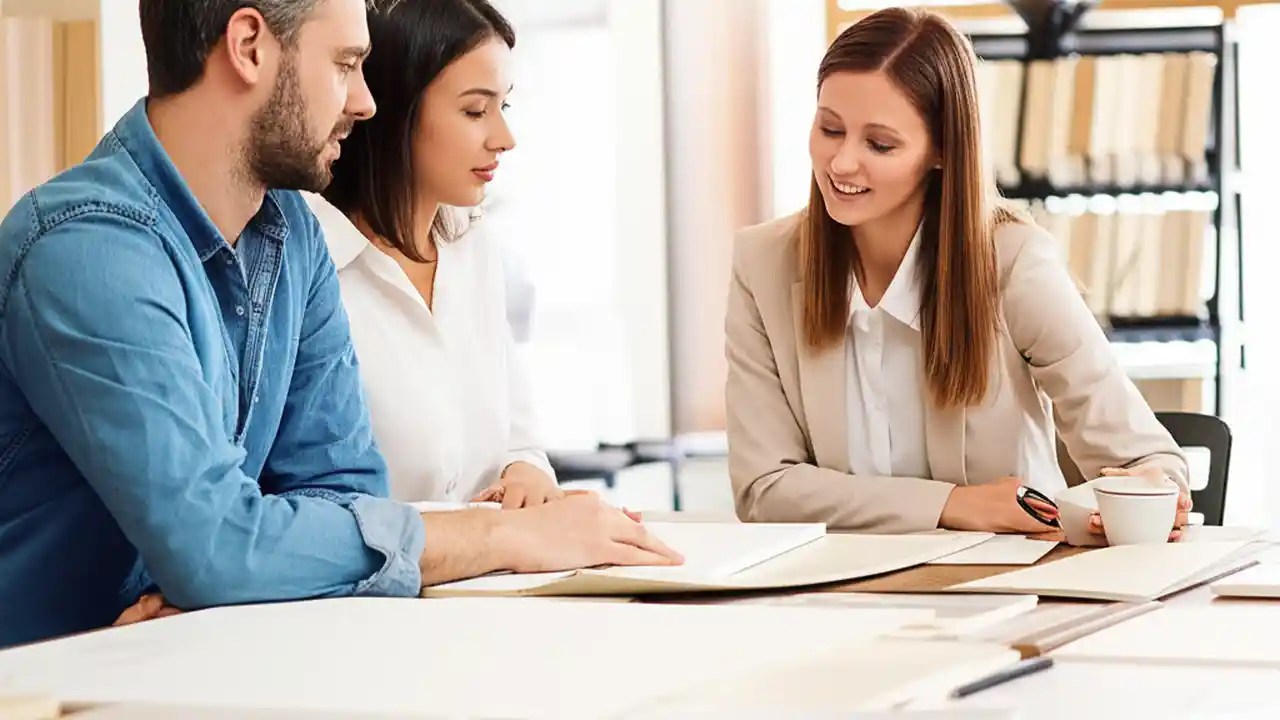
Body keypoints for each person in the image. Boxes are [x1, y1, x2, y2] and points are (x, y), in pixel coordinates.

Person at [0, 0, 678, 649]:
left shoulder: (290, 236)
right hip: (44, 687)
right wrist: (506, 537)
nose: (366, 101)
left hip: (185, 664)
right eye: (346, 64)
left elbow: (343, 501)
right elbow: (216, 544)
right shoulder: (86, 249)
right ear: (249, 47)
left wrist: (241, 577)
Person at [724, 7, 1191, 539]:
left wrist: (1153, 487)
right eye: (830, 129)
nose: (841, 164)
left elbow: (1146, 459)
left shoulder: (1014, 263)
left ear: (942, 150)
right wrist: (952, 505)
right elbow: (762, 489)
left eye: (880, 144)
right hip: (833, 595)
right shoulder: (763, 264)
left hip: (1006, 593)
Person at [308, 0, 555, 507]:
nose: (504, 139)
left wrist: (527, 478)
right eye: (474, 110)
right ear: (396, 110)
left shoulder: (474, 248)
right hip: (378, 583)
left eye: (502, 107)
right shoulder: (312, 265)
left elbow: (521, 442)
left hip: (492, 578)